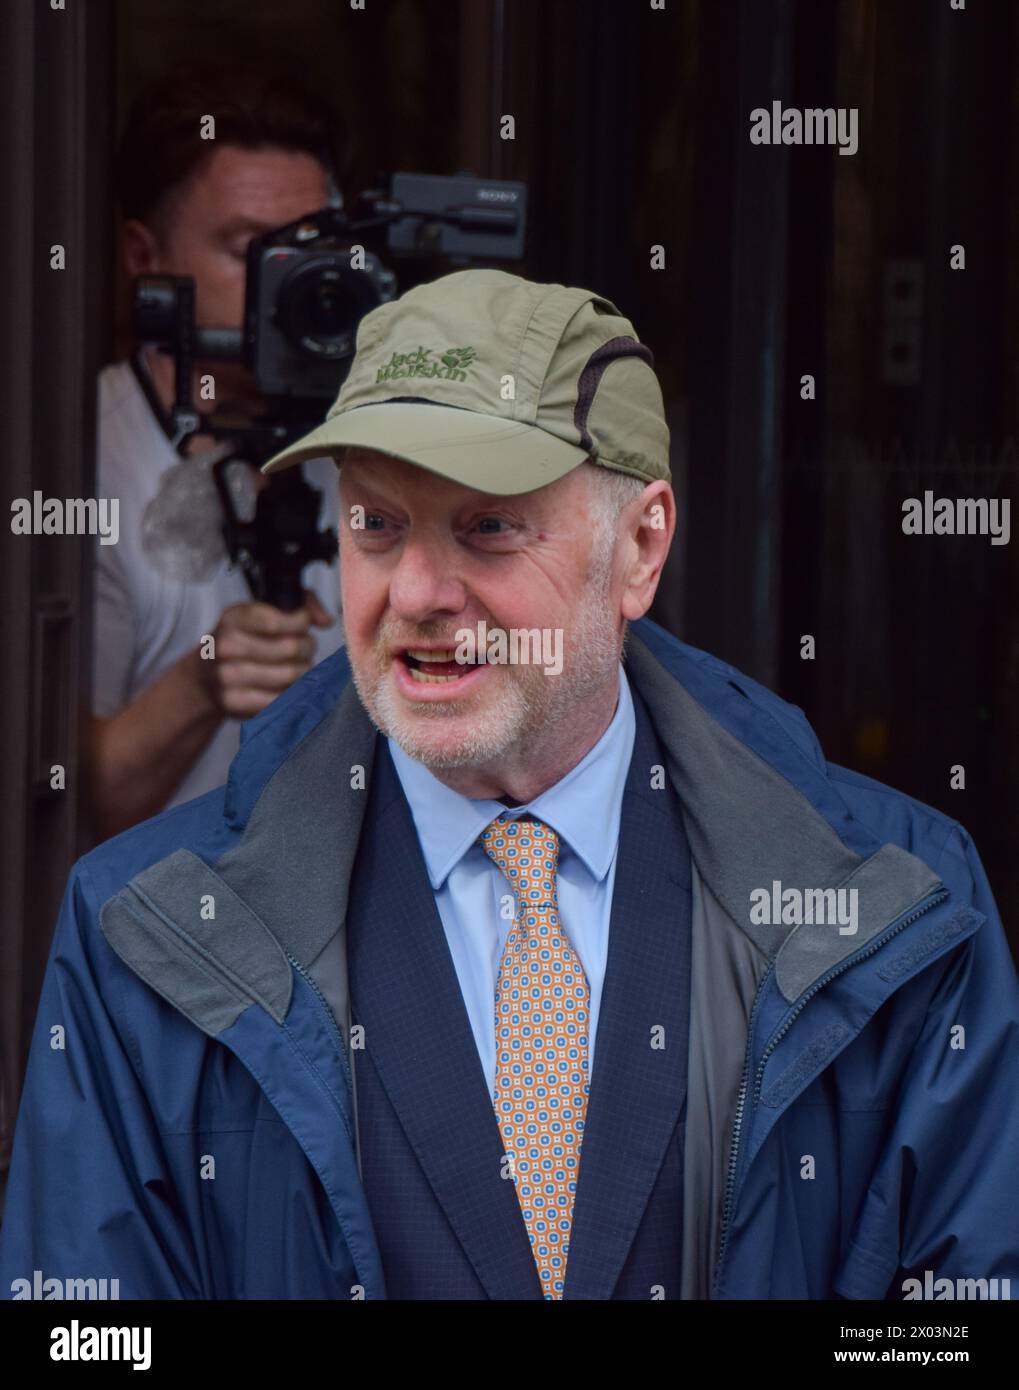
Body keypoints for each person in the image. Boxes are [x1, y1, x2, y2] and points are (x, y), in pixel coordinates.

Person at [2, 268, 1017, 1300]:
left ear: (639, 547)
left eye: (487, 526)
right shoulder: (146, 933)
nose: (416, 593)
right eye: (376, 525)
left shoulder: (899, 911)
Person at [89, 61, 345, 839]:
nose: (290, 282)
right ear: (145, 259)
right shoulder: (83, 459)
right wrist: (201, 685)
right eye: (249, 251)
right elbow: (65, 802)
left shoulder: (368, 449)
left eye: (312, 249)